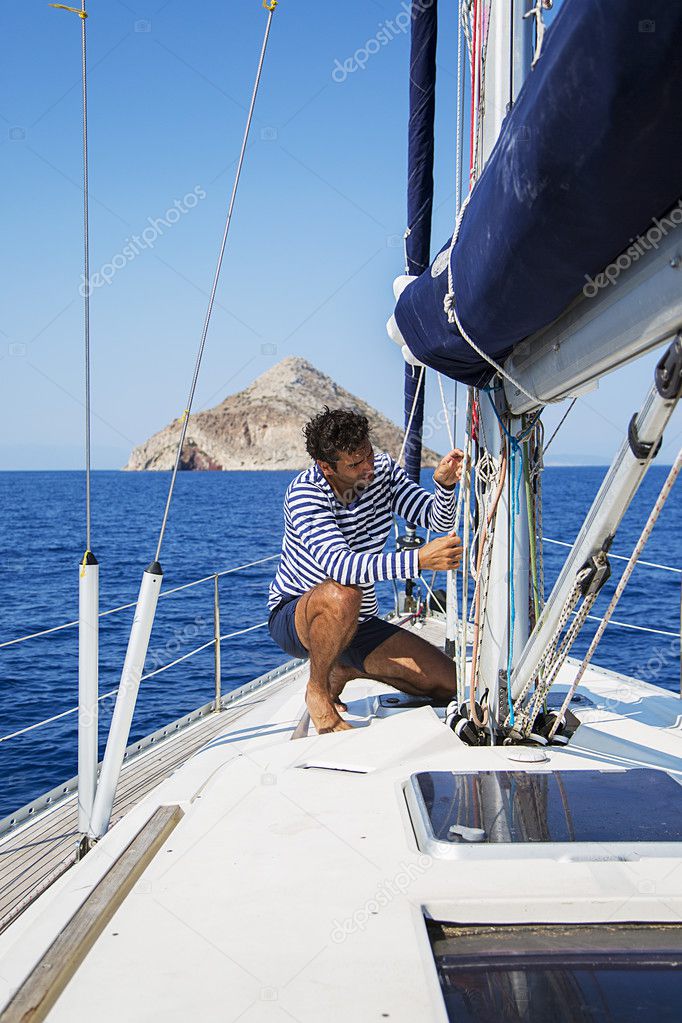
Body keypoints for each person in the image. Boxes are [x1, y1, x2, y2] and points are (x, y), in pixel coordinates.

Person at [268, 407, 464, 733]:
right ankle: (317, 691)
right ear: (326, 467)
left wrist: (443, 487)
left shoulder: (382, 471)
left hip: (359, 620)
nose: (368, 467)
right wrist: (418, 560)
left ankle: (344, 668)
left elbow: (435, 520)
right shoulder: (305, 494)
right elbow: (341, 567)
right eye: (355, 464)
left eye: (369, 455)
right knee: (342, 593)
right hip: (298, 614)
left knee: (449, 685)